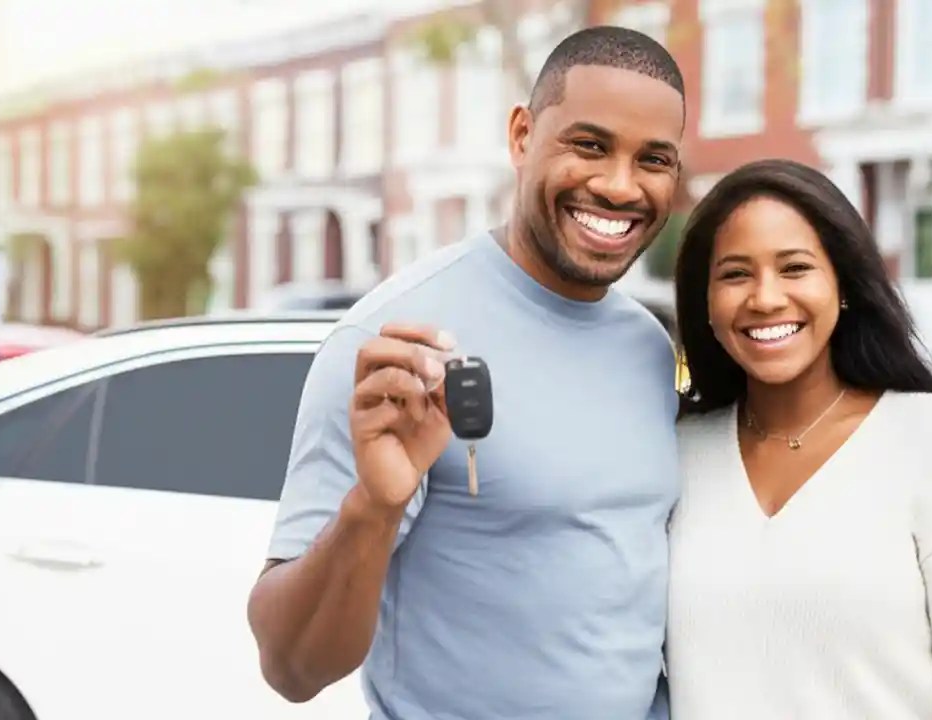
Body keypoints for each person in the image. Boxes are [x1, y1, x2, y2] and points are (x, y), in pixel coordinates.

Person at [246, 26, 686, 720]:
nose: (618, 185)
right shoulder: (390, 344)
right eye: (589, 145)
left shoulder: (648, 348)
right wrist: (375, 505)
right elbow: (291, 666)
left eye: (653, 159)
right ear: (521, 136)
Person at [664, 159, 932, 718]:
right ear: (705, 303)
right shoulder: (679, 453)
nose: (765, 298)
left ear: (843, 286)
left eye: (794, 268)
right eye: (736, 274)